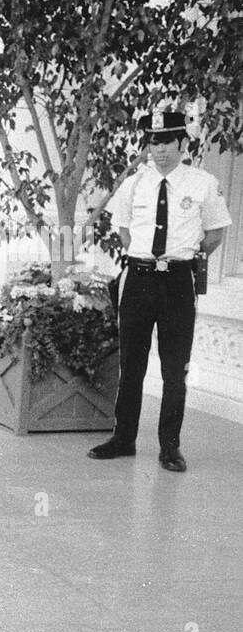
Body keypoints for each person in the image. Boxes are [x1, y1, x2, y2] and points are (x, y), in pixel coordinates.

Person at [88, 110, 231, 472]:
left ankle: (170, 446)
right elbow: (124, 232)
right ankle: (124, 439)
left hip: (177, 283)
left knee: (173, 369)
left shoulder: (203, 183)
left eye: (167, 141)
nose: (160, 149)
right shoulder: (133, 184)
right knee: (131, 364)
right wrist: (146, 260)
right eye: (153, 142)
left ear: (183, 143)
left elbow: (214, 233)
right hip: (138, 280)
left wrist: (181, 259)